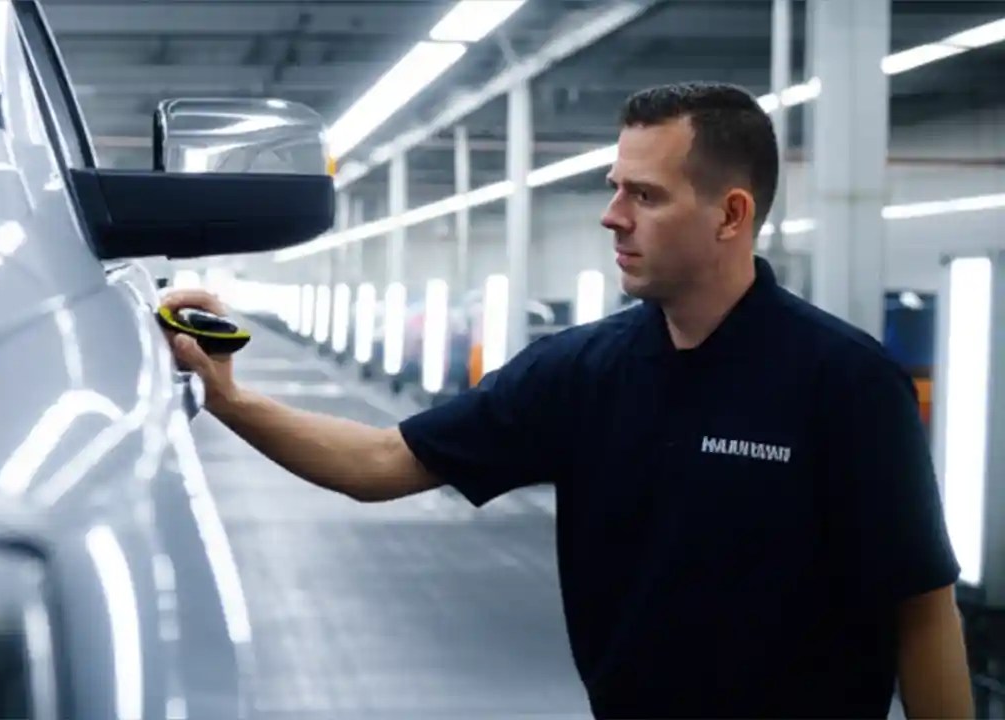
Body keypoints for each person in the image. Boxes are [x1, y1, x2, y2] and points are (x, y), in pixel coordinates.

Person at [160, 82, 975, 718]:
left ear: (731, 215)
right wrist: (230, 398)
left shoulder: (844, 382)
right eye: (614, 186)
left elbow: (922, 610)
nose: (611, 216)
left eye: (645, 196)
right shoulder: (583, 372)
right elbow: (382, 462)